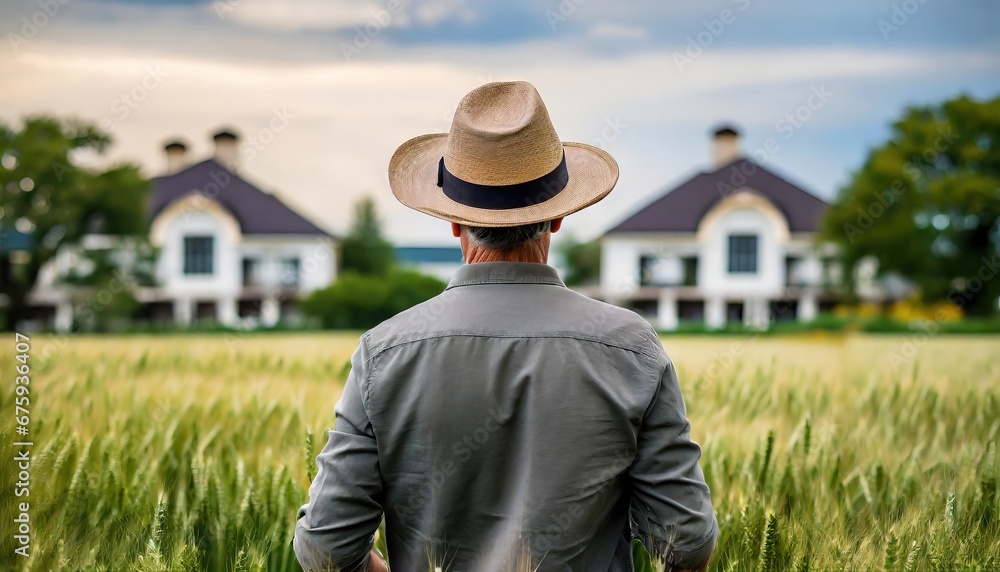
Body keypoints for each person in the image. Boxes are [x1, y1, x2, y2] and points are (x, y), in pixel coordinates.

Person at [294, 81, 717, 571]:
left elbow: (325, 550)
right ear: (557, 217)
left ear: (453, 222)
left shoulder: (384, 353)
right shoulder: (631, 348)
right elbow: (685, 544)